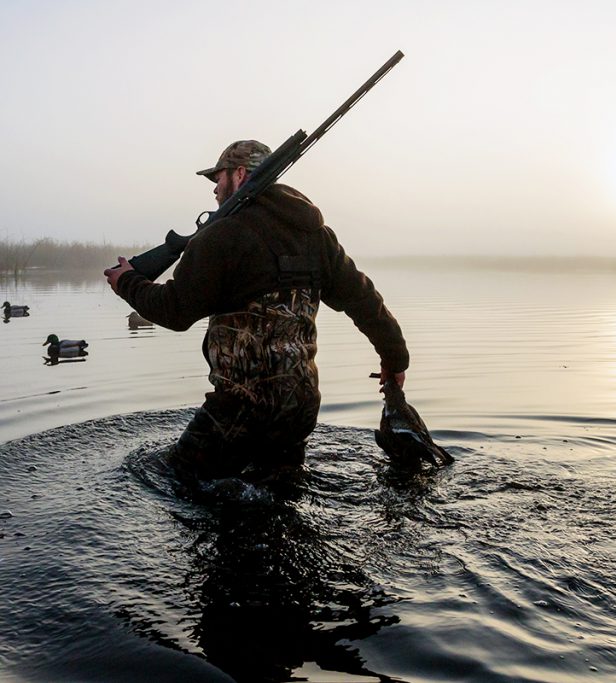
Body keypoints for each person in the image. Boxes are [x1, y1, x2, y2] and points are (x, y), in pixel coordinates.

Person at [104, 140, 408, 481]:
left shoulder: (221, 236)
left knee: (174, 481)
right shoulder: (317, 237)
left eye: (217, 180)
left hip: (238, 409)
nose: (215, 191)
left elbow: (174, 311)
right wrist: (395, 360)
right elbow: (364, 300)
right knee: (278, 502)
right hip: (300, 405)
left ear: (239, 174)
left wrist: (127, 282)